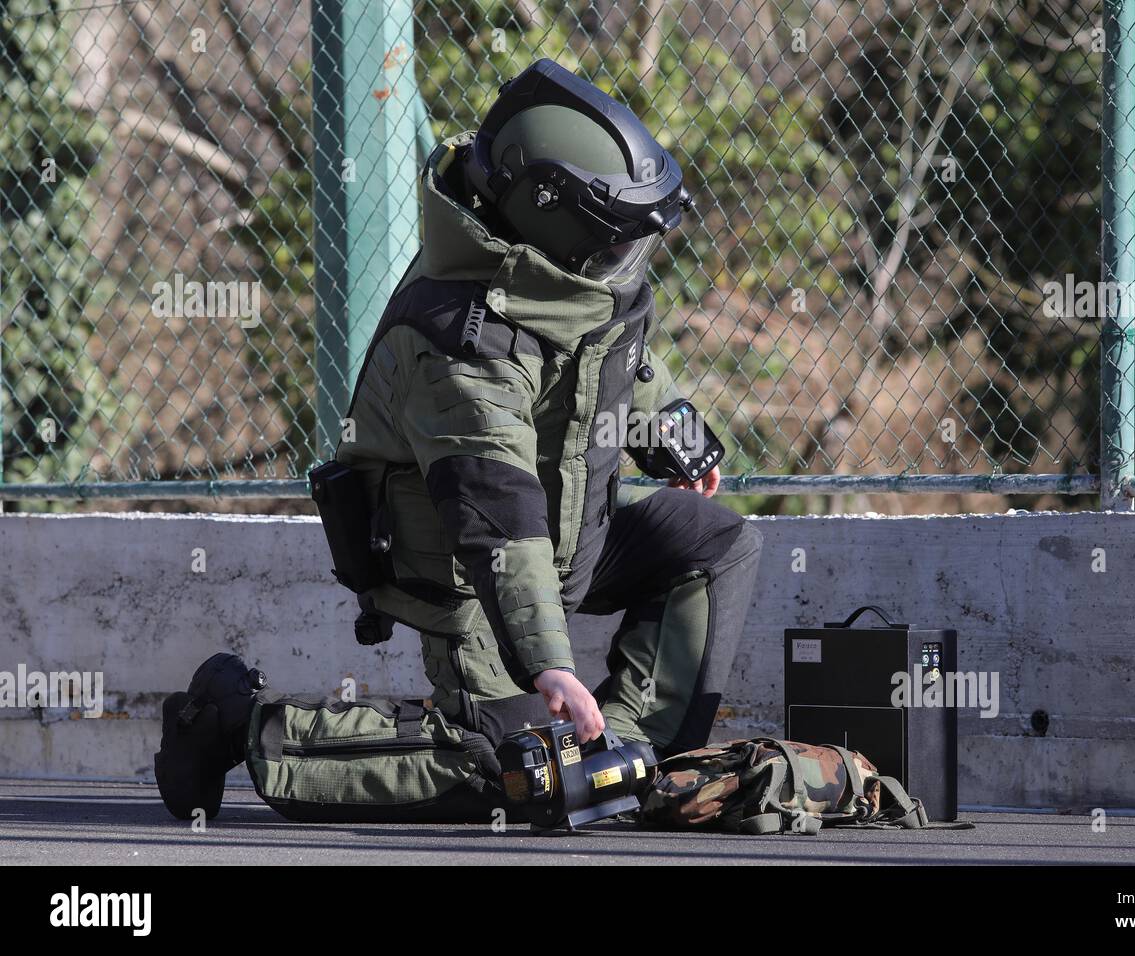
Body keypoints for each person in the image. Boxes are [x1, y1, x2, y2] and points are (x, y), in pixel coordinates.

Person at [155, 59, 763, 819]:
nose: (624, 265)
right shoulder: (461, 347)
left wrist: (665, 424)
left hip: (568, 534)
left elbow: (612, 357)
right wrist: (549, 665)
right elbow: (497, 518)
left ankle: (623, 750)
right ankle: (243, 726)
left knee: (714, 546)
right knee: (504, 771)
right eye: (612, 247)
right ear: (549, 222)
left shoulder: (557, 278)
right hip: (467, 571)